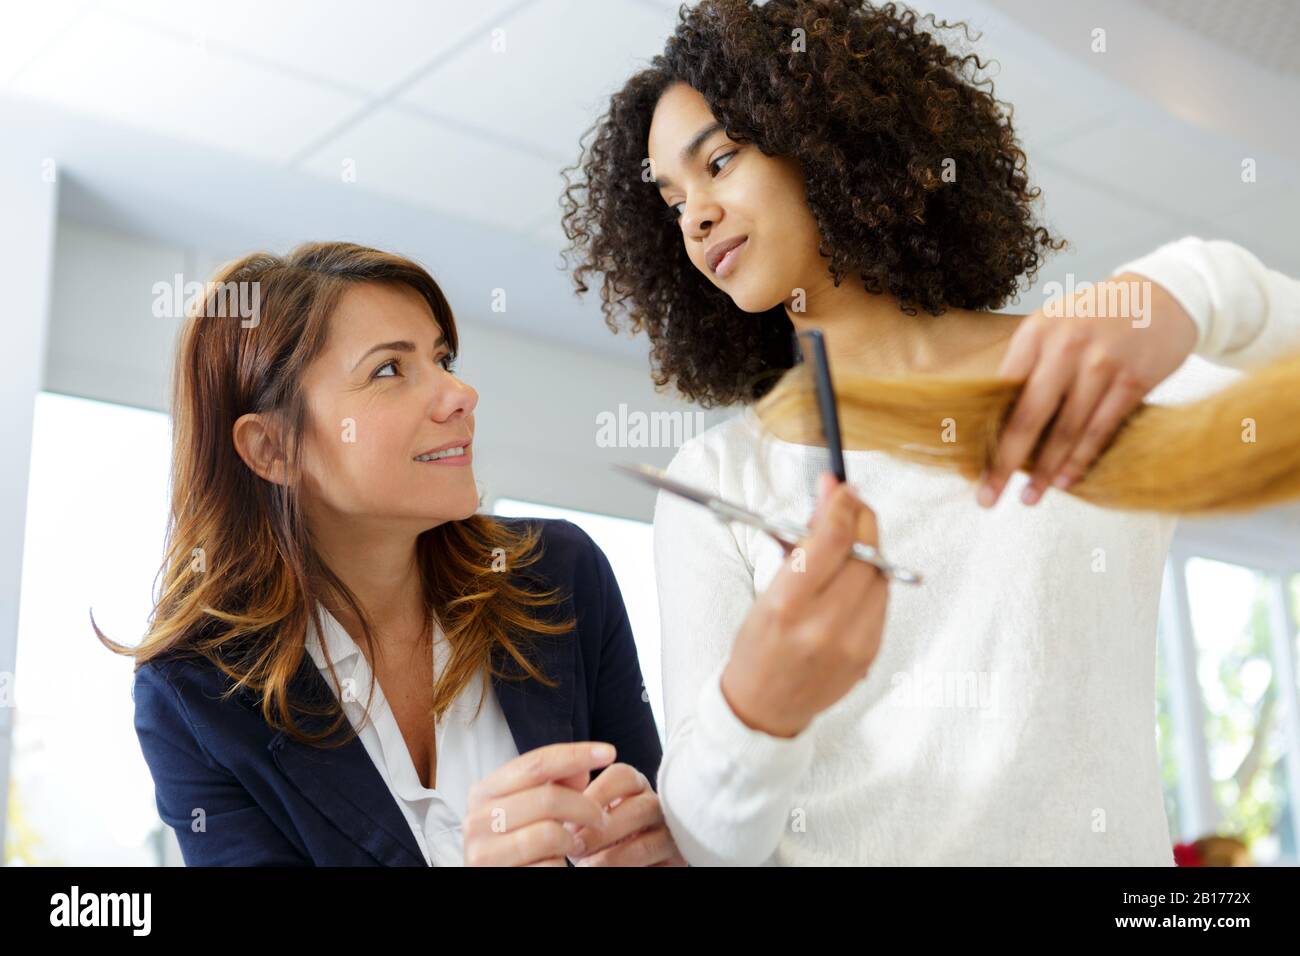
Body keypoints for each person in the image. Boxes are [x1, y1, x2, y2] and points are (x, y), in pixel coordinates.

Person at [560, 0, 1300, 864]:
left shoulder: (1080, 369)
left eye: (720, 161)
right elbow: (706, 839)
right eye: (673, 202)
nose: (694, 218)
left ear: (826, 134)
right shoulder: (720, 478)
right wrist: (759, 703)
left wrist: (1196, 290)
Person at [104, 241, 685, 866]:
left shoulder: (561, 574)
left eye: (443, 359)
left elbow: (653, 836)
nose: (461, 394)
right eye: (389, 370)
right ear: (273, 448)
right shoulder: (197, 695)